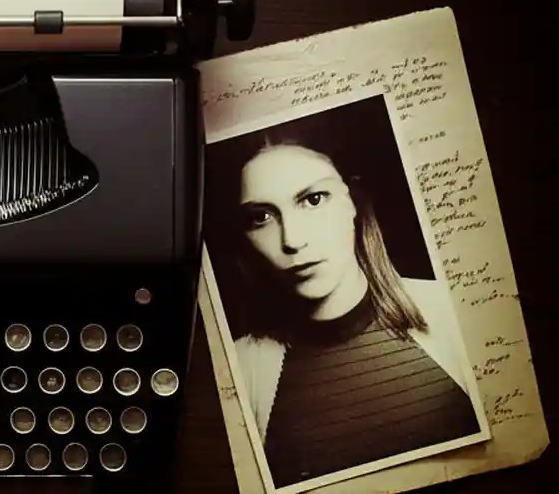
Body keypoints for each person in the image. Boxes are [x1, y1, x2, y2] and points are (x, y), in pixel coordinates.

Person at [206, 123, 481, 487]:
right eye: (261, 217)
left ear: (352, 201)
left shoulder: (458, 306)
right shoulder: (238, 369)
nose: (292, 240)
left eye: (313, 199)